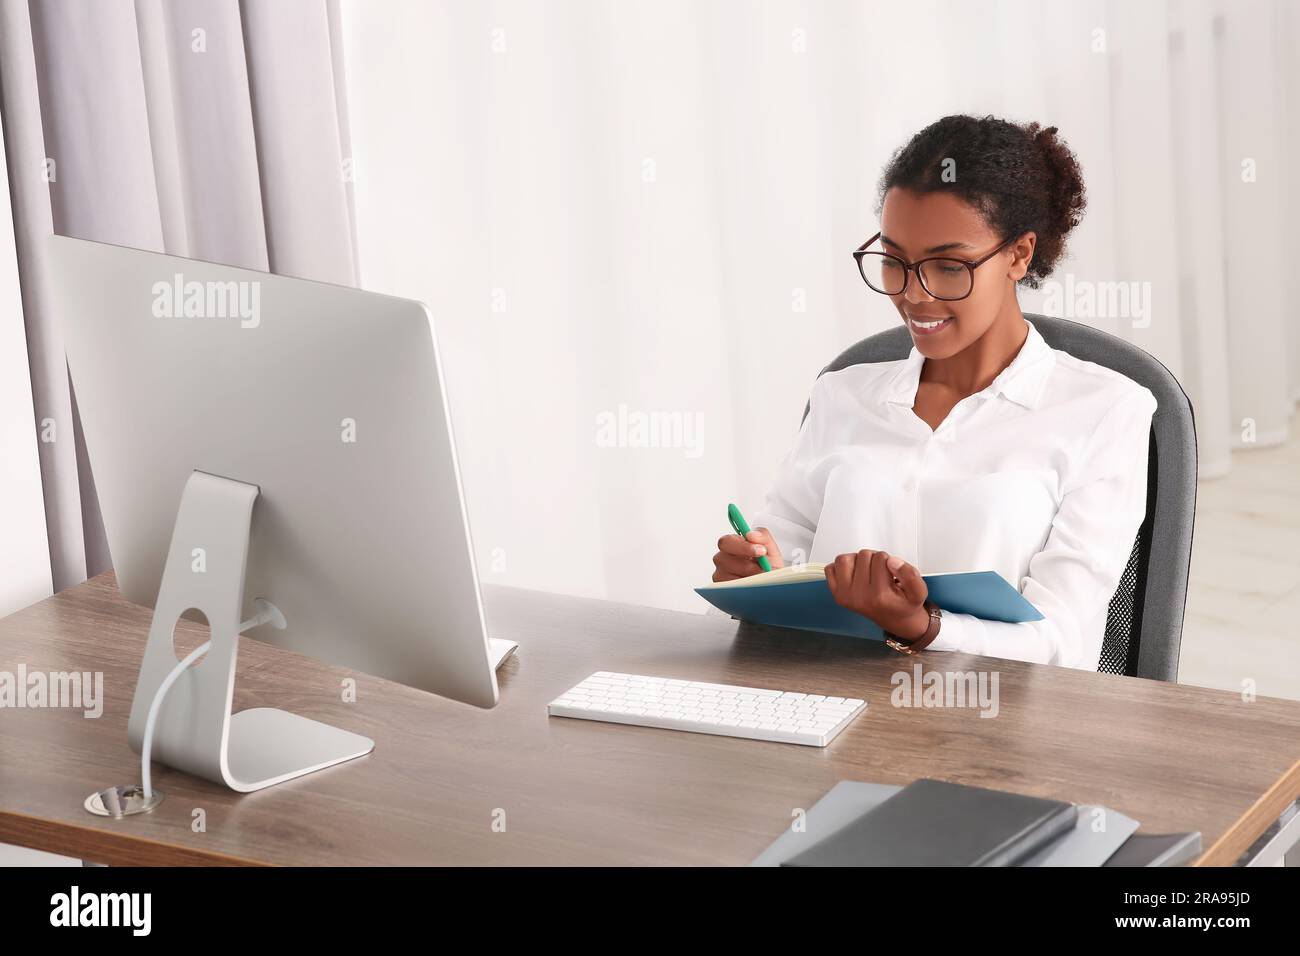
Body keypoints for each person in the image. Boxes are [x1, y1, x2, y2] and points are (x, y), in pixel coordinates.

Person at [711, 114, 1156, 669]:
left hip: (1004, 732)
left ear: (1018, 254)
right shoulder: (842, 396)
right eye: (895, 261)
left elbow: (1062, 639)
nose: (915, 296)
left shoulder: (1105, 411)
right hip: (830, 713)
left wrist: (921, 628)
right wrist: (758, 575)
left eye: (948, 267)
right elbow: (786, 548)